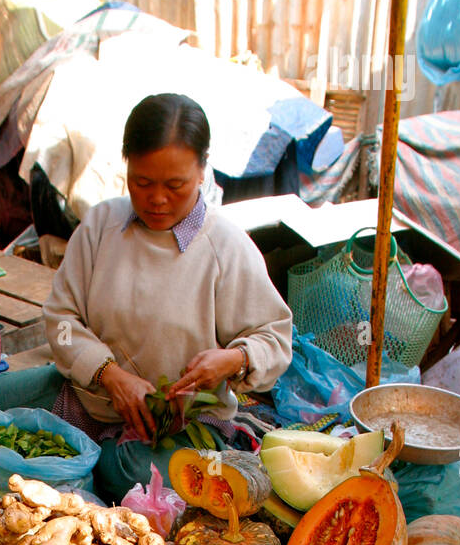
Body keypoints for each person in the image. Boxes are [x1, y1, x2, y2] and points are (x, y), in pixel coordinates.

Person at [43, 93, 293, 441]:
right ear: (126, 163)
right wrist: (110, 375)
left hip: (185, 424)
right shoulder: (101, 226)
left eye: (176, 185)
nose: (157, 199)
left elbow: (275, 339)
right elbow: (61, 322)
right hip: (91, 398)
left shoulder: (226, 246)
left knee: (131, 474)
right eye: (142, 182)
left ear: (203, 169)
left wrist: (235, 359)